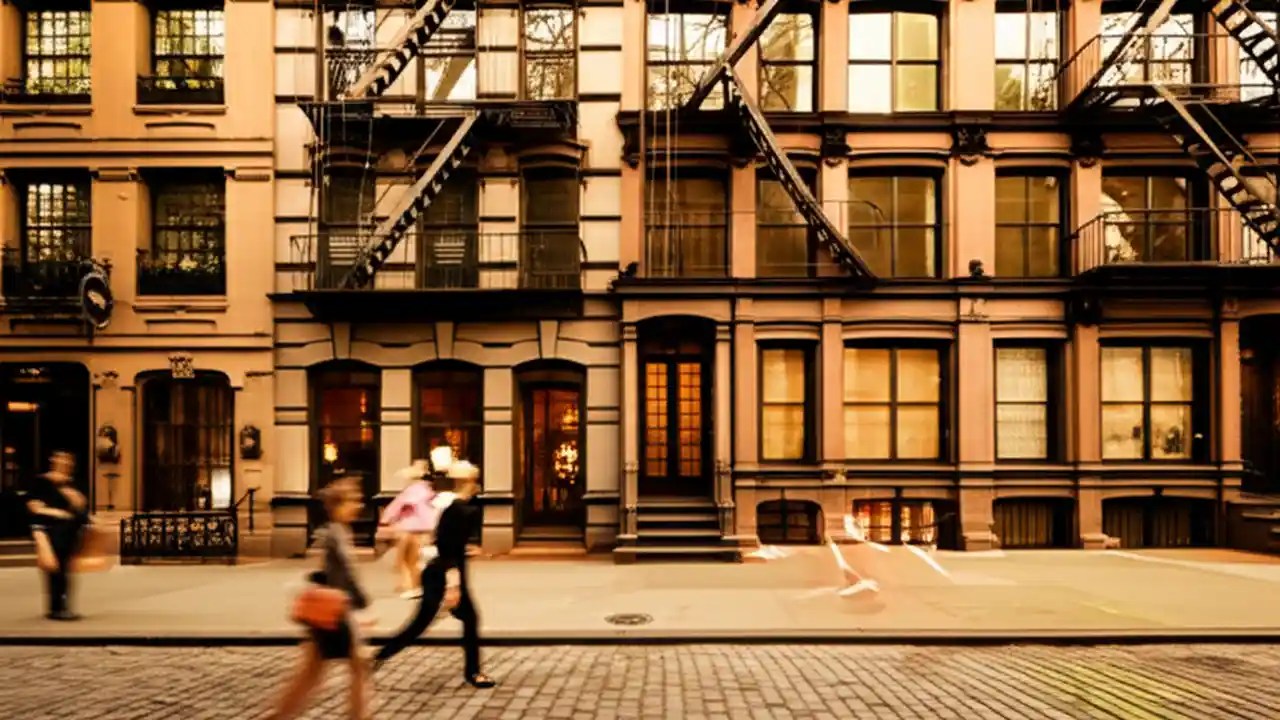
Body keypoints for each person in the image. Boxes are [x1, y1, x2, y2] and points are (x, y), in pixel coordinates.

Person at [374, 459, 495, 688]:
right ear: (470, 482)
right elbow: (446, 550)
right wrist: (453, 586)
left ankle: (473, 672)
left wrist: (466, 551)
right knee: (420, 625)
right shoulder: (462, 509)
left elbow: (443, 541)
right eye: (476, 479)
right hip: (443, 575)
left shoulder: (455, 506)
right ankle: (378, 656)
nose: (479, 485)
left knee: (465, 620)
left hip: (443, 571)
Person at [270, 477, 375, 720]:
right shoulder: (336, 534)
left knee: (312, 673)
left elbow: (320, 572)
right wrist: (362, 601)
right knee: (357, 667)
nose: (359, 506)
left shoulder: (332, 532)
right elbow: (345, 575)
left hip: (328, 613)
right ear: (340, 505)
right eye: (354, 501)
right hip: (335, 614)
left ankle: (278, 717)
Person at [26, 451, 89, 621]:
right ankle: (55, 608)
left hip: (69, 534)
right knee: (55, 570)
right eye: (62, 461)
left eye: (69, 462)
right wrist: (57, 513)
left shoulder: (71, 485)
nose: (66, 465)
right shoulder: (42, 482)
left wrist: (78, 503)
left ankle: (64, 606)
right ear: (54, 462)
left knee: (65, 571)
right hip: (49, 533)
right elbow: (34, 507)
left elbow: (80, 510)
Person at [379, 460, 437, 599]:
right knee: (414, 560)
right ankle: (413, 585)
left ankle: (413, 586)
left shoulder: (413, 491)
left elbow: (398, 506)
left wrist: (386, 520)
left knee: (408, 560)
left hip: (411, 528)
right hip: (423, 528)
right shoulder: (428, 491)